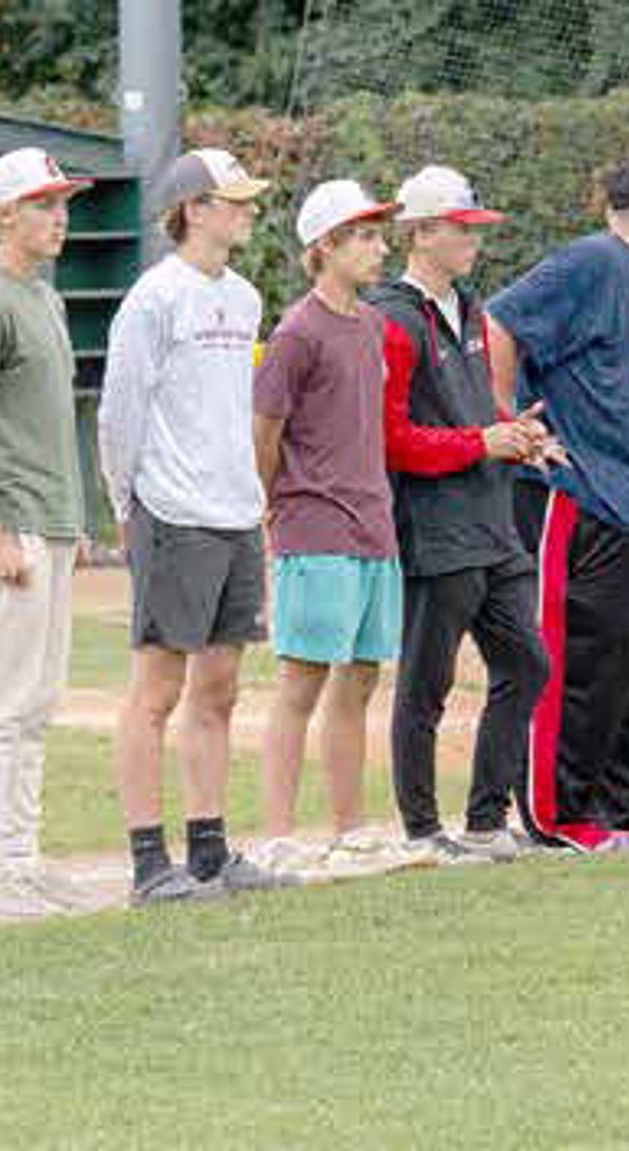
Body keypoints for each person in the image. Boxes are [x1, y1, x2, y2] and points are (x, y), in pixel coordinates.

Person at [99, 148, 283, 905]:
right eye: (232, 199)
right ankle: (150, 861)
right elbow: (121, 410)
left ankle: (210, 851)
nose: (245, 211)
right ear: (194, 209)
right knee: (156, 689)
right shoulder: (153, 298)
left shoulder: (244, 299)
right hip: (173, 512)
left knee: (222, 686)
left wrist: (253, 499)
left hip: (236, 512)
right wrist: (125, 504)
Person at [369, 165, 551, 863]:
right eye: (461, 228)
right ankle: (421, 831)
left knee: (527, 665)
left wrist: (516, 433)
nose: (474, 239)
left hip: (491, 522)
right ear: (420, 234)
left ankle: (484, 821)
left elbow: (473, 411)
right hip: (436, 530)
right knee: (425, 684)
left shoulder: (471, 309)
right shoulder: (392, 321)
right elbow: (392, 440)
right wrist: (482, 440)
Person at [0, 147, 98, 921]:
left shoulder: (46, 299)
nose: (59, 216)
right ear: (3, 216)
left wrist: (76, 523)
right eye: (43, 204)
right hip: (11, 525)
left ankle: (21, 856)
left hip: (52, 522)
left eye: (62, 203)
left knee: (37, 701)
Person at [252, 179, 414, 881]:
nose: (380, 248)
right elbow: (264, 430)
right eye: (365, 236)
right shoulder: (295, 333)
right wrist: (274, 504)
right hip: (314, 527)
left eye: (379, 234)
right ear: (324, 248)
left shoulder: (373, 326)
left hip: (374, 526)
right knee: (301, 683)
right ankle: (279, 837)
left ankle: (351, 829)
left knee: (361, 680)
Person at [487, 159, 629, 852]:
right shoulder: (593, 261)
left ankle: (614, 807)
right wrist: (508, 423)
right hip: (576, 494)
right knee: (571, 655)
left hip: (622, 499)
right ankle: (557, 811)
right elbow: (500, 322)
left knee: (618, 662)